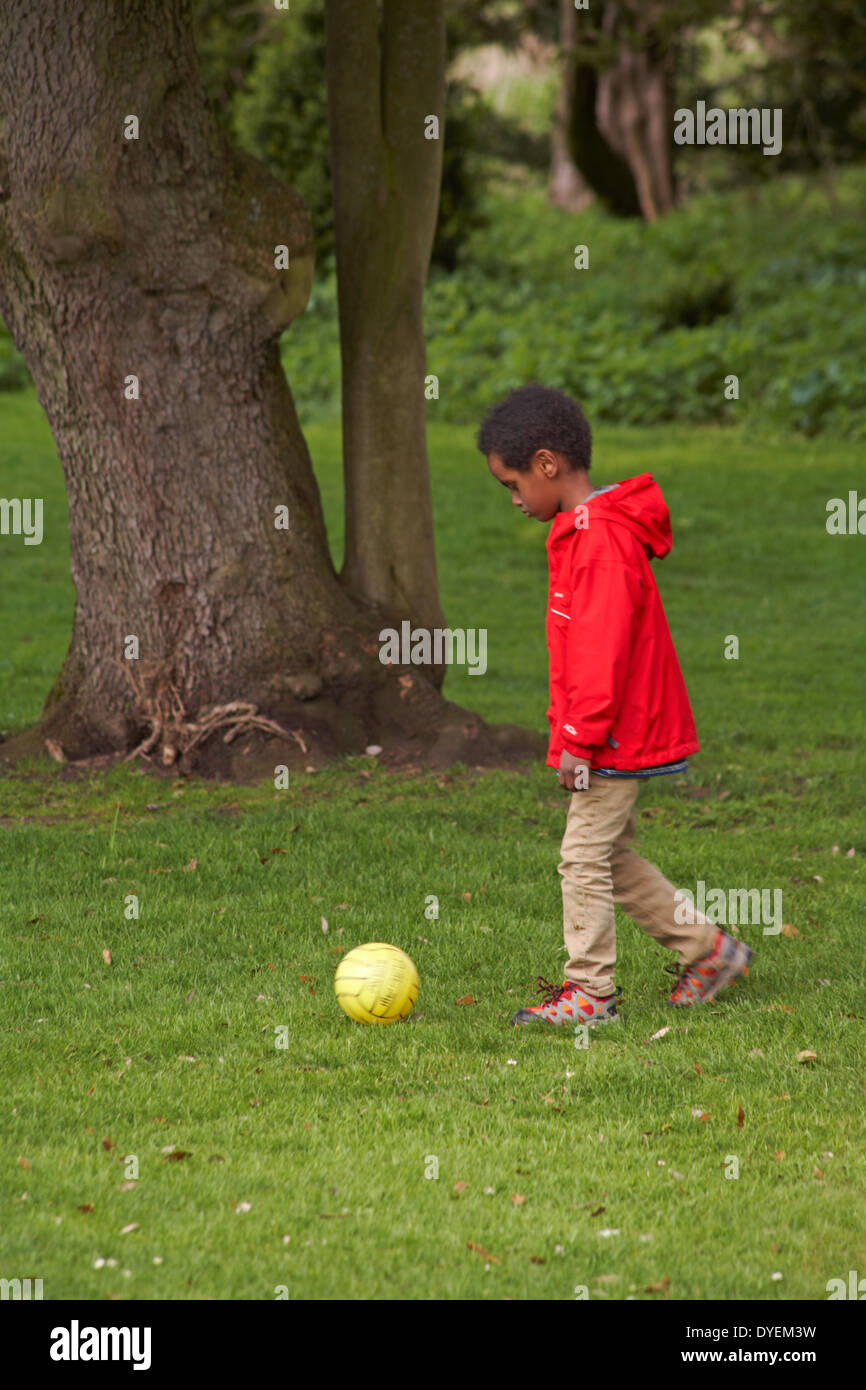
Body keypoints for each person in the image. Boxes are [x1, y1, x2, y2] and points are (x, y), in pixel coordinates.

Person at [477, 384, 753, 1027]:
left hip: (614, 733)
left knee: (581, 857)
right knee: (609, 856)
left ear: (547, 464)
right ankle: (709, 951)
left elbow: (601, 653)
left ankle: (590, 992)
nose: (516, 500)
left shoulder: (599, 539)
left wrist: (578, 737)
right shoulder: (587, 530)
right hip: (613, 729)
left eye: (514, 484)